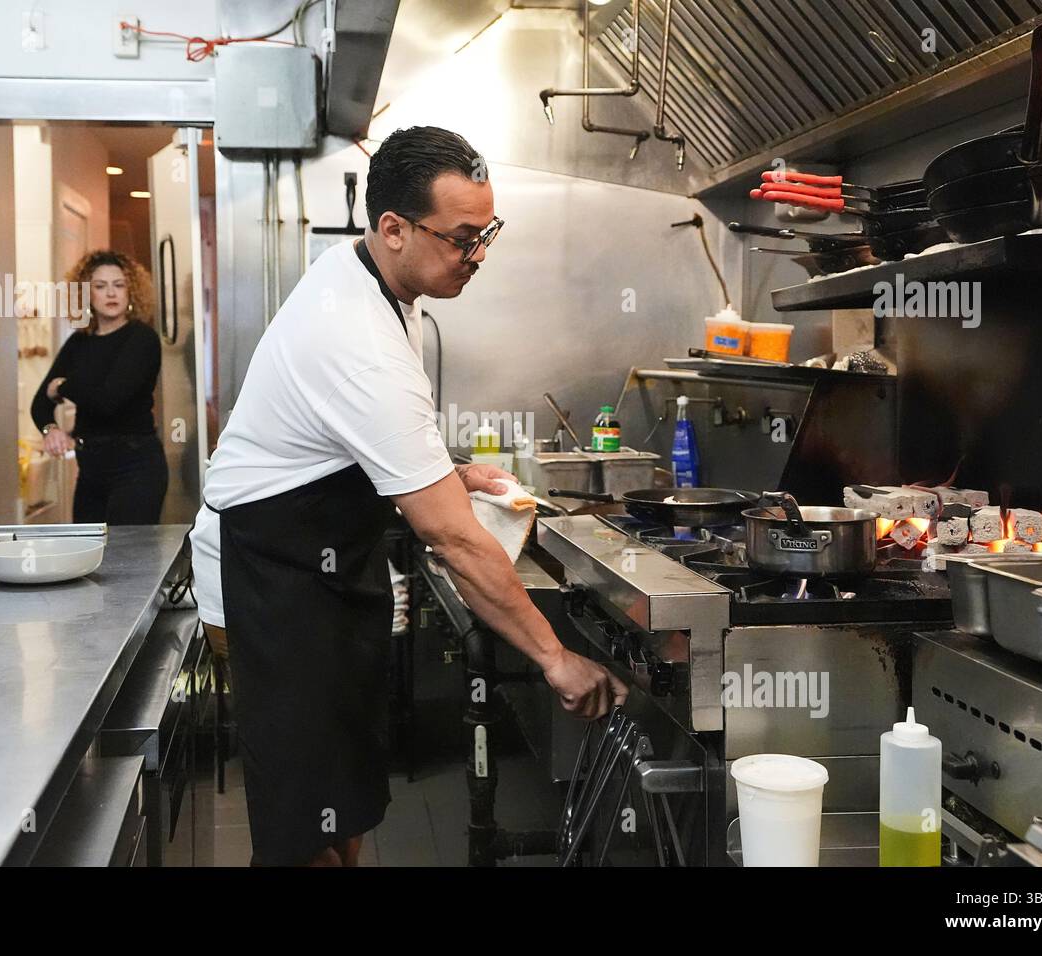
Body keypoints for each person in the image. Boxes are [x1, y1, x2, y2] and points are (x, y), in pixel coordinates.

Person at [191, 125, 627, 868]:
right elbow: (452, 539)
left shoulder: (388, 285)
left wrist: (452, 469)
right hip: (270, 580)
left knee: (346, 799)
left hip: (323, 567)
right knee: (304, 830)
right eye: (462, 238)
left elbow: (358, 439)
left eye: (487, 232)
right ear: (393, 228)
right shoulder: (353, 332)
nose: (478, 254)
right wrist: (555, 659)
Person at [31, 250, 168, 525]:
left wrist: (63, 386)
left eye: (119, 285)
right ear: (86, 295)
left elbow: (108, 401)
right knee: (89, 558)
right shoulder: (79, 343)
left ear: (131, 291)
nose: (111, 294)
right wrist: (50, 429)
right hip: (90, 472)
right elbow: (40, 402)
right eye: (100, 286)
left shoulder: (141, 338)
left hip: (135, 469)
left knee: (125, 561)